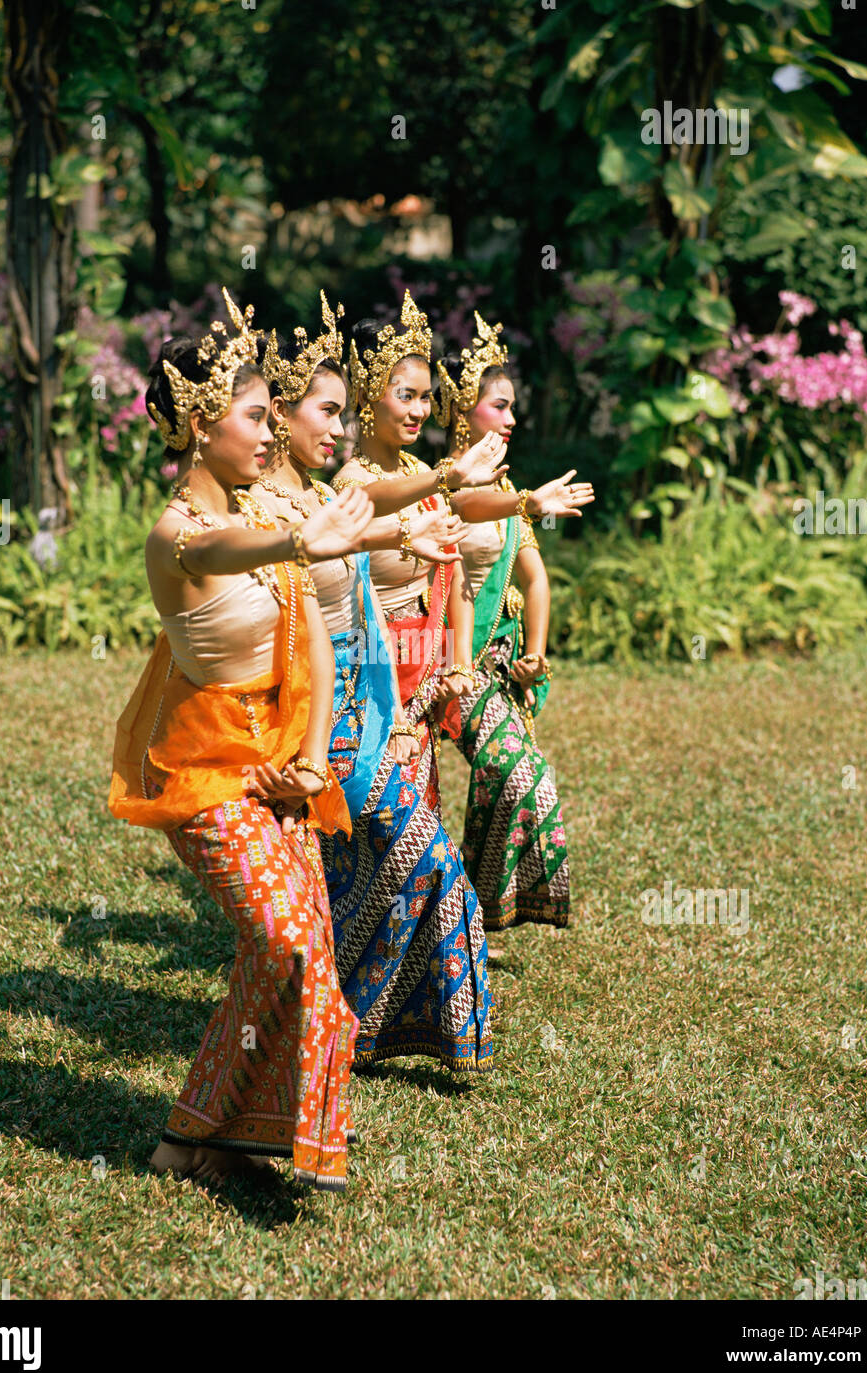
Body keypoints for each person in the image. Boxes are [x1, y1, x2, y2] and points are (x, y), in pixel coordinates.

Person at [108, 289, 374, 1191]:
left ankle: (195, 1141)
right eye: (255, 418)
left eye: (271, 418)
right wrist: (298, 544)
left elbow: (316, 641)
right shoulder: (179, 534)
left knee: (283, 954)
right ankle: (268, 1135)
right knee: (291, 940)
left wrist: (310, 755)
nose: (269, 434)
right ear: (199, 424)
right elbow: (220, 552)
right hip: (206, 778)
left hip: (281, 769)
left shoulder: (271, 516)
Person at [249, 291, 493, 1072]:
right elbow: (332, 540)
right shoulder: (262, 511)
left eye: (342, 412)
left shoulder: (321, 497)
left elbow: (367, 522)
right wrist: (442, 483)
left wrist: (418, 520)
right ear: (282, 414)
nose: (338, 428)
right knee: (423, 862)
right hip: (312, 727)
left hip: (367, 709)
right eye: (325, 411)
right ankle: (336, 1026)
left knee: (395, 873)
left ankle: (353, 1027)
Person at [431, 311, 595, 939]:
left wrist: (537, 653)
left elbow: (536, 577)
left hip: (493, 669)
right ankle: (476, 909)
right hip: (441, 662)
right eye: (499, 406)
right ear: (466, 412)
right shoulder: (444, 487)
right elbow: (462, 505)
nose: (511, 419)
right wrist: (525, 500)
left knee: (510, 782)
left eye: (512, 408)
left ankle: (473, 914)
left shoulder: (504, 490)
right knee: (519, 775)